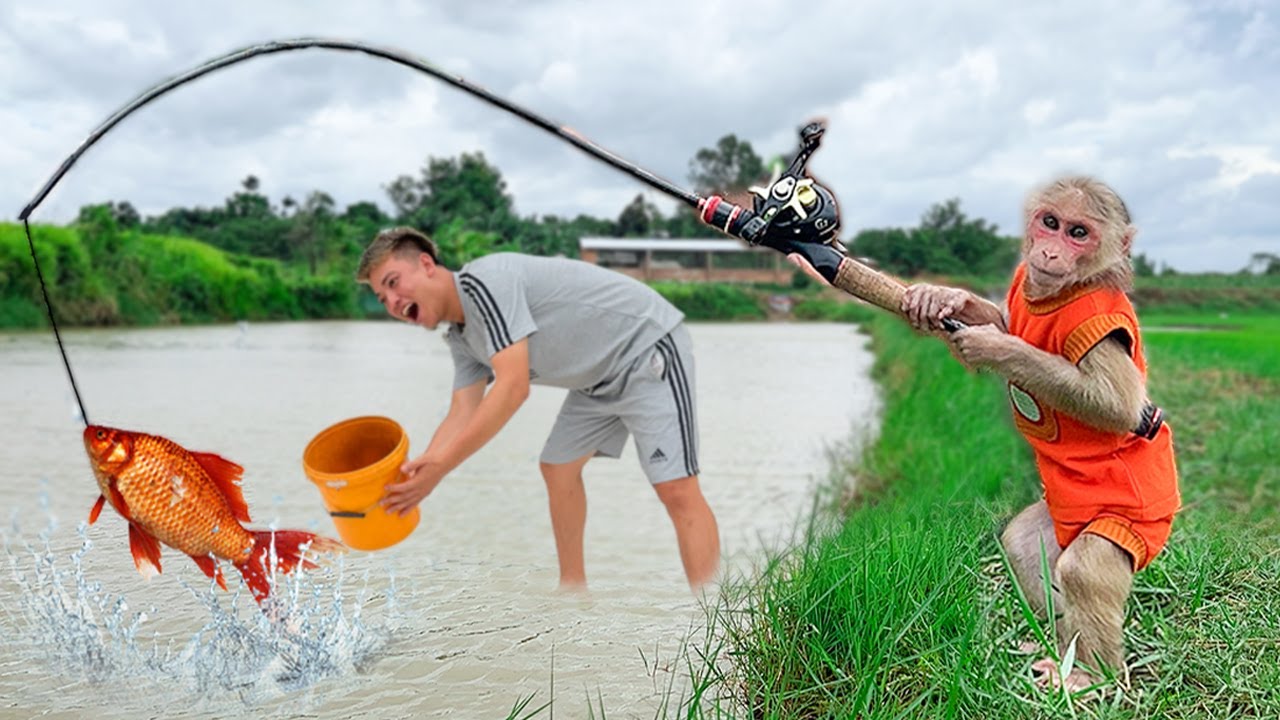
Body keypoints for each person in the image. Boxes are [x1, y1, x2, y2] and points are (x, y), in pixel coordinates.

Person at [355, 227, 720, 590]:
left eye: (392, 282)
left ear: (425, 264)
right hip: (597, 378)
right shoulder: (461, 338)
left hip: (645, 346)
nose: (392, 302)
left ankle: (714, 620)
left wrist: (439, 469)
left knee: (676, 488)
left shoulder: (486, 284)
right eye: (382, 298)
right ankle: (573, 595)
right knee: (558, 468)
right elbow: (461, 411)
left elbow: (513, 388)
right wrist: (418, 474)